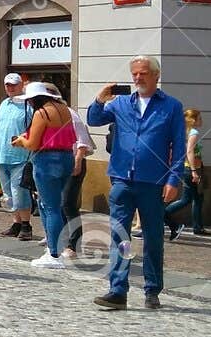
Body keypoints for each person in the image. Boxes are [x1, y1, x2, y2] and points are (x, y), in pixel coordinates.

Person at [85, 55, 186, 310]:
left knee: (153, 237)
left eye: (143, 73)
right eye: (135, 74)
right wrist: (100, 98)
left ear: (156, 75)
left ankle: (152, 290)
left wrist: (174, 179)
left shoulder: (171, 106)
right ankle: (118, 290)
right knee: (120, 236)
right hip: (122, 179)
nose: (138, 78)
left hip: (153, 182)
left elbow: (180, 146)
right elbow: (94, 119)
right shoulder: (120, 103)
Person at [11, 80, 76, 267]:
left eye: (30, 100)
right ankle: (55, 248)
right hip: (66, 158)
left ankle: (53, 253)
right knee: (52, 204)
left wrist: (21, 141)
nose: (29, 104)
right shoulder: (64, 109)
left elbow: (32, 144)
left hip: (47, 160)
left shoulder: (42, 113)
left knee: (51, 207)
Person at [0, 72, 32, 239]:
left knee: (19, 190)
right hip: (1, 155)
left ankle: (26, 225)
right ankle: (16, 222)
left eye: (14, 84)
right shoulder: (4, 103)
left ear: (21, 85)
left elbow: (31, 129)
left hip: (20, 155)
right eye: (7, 84)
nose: (10, 87)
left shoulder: (28, 105)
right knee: (8, 191)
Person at [61, 89, 95, 260]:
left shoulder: (70, 115)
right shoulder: (49, 115)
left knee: (68, 204)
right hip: (58, 164)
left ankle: (73, 244)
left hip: (73, 162)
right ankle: (62, 239)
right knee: (60, 204)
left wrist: (78, 160)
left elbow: (83, 141)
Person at [165, 108, 209, 240]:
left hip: (188, 168)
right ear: (193, 120)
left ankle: (198, 226)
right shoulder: (194, 132)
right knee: (189, 199)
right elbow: (189, 152)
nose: (201, 121)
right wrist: (194, 171)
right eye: (199, 118)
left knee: (196, 198)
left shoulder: (185, 132)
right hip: (191, 169)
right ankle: (164, 214)